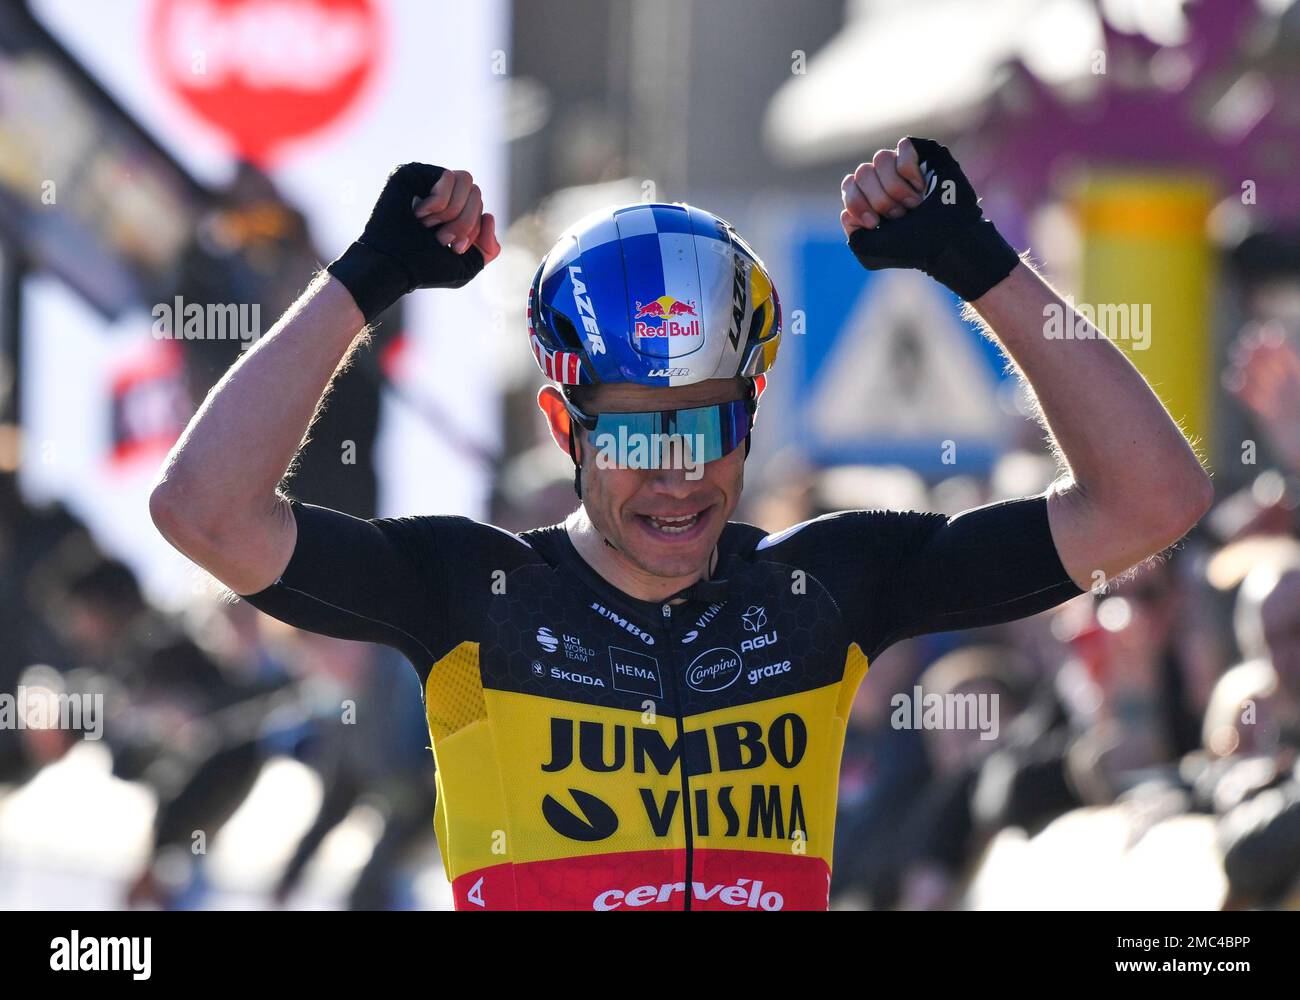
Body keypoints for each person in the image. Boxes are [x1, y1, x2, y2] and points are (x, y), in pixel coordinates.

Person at [150, 138, 1213, 911]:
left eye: (711, 425)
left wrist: (979, 266)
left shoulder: (828, 583)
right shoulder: (471, 590)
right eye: (636, 436)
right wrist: (363, 283)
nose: (680, 475)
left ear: (752, 414)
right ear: (563, 425)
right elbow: (203, 513)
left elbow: (1151, 500)